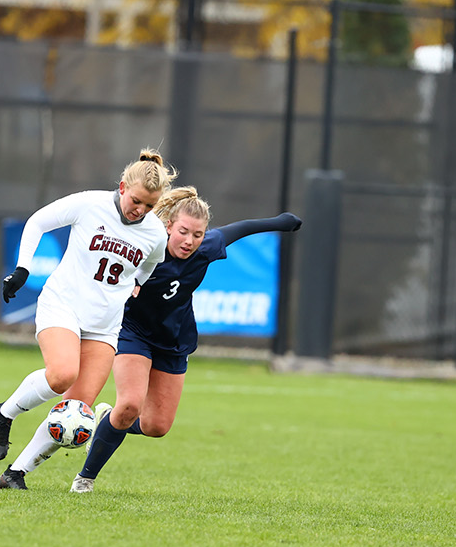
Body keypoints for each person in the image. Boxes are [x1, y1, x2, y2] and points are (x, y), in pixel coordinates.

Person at [70, 187, 301, 493]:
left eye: (197, 234)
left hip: (174, 337)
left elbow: (242, 228)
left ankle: (108, 422)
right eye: (183, 232)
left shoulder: (207, 246)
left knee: (157, 426)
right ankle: (85, 479)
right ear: (168, 227)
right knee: (129, 406)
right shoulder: (145, 248)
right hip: (133, 331)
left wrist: (282, 222)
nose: (190, 241)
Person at [0, 149, 174, 490]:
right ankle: (4, 414)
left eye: (149, 206)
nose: (141, 210)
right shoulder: (91, 204)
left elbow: (148, 267)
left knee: (76, 412)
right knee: (62, 375)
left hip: (104, 326)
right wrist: (22, 268)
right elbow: (38, 222)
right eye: (136, 201)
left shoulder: (156, 233)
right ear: (121, 187)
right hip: (64, 306)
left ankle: (15, 474)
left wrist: (136, 285)